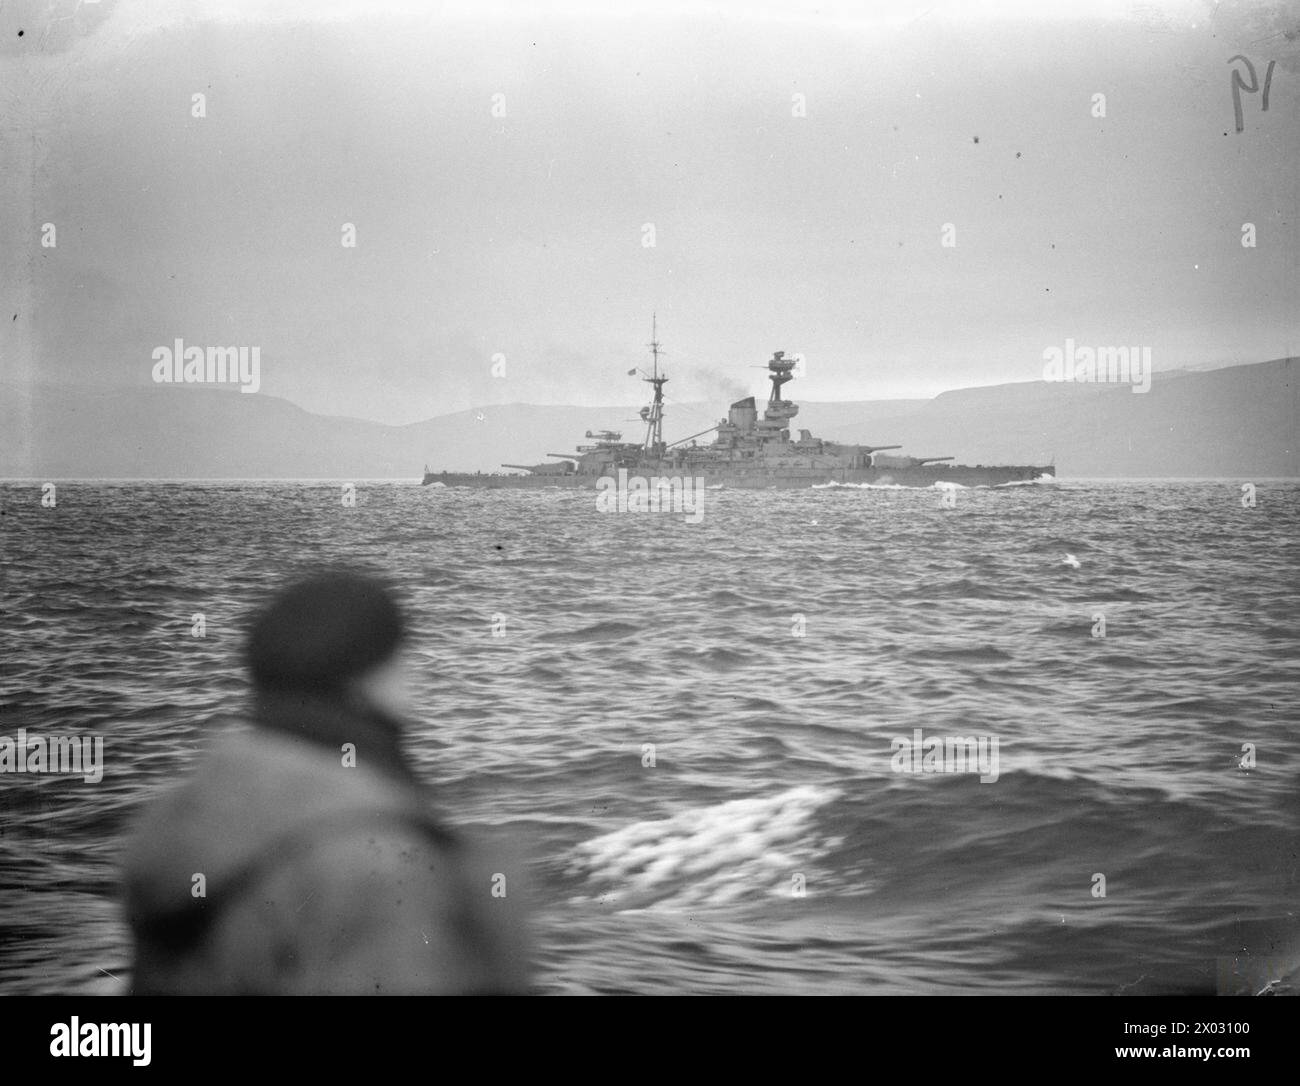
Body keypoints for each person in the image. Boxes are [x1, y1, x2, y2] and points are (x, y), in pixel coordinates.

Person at [121, 568, 529, 994]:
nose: (417, 677)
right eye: (402, 656)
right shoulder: (376, 856)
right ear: (369, 677)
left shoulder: (168, 818)